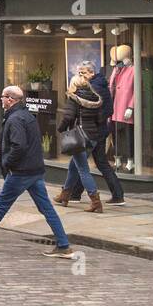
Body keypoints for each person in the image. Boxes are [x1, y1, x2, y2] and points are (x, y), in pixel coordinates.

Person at [0, 86, 74, 258]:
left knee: (1, 203)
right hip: (34, 170)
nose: (1, 100)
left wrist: (7, 163)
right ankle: (63, 245)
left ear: (10, 99)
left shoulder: (15, 119)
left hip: (21, 171)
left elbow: (18, 146)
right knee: (47, 208)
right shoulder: (27, 115)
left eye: (3, 97)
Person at [56, 60, 125, 207]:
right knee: (85, 163)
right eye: (79, 73)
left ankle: (90, 198)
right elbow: (107, 111)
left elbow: (72, 116)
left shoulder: (93, 88)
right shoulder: (100, 86)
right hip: (96, 132)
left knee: (81, 166)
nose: (81, 76)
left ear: (91, 73)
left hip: (89, 133)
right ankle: (72, 194)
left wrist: (90, 123)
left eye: (83, 73)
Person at [55, 74, 106, 214]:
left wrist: (60, 129)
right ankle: (64, 196)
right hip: (93, 137)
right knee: (74, 167)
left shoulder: (74, 99)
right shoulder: (96, 98)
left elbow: (68, 117)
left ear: (74, 85)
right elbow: (101, 119)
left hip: (79, 138)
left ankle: (96, 201)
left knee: (83, 169)